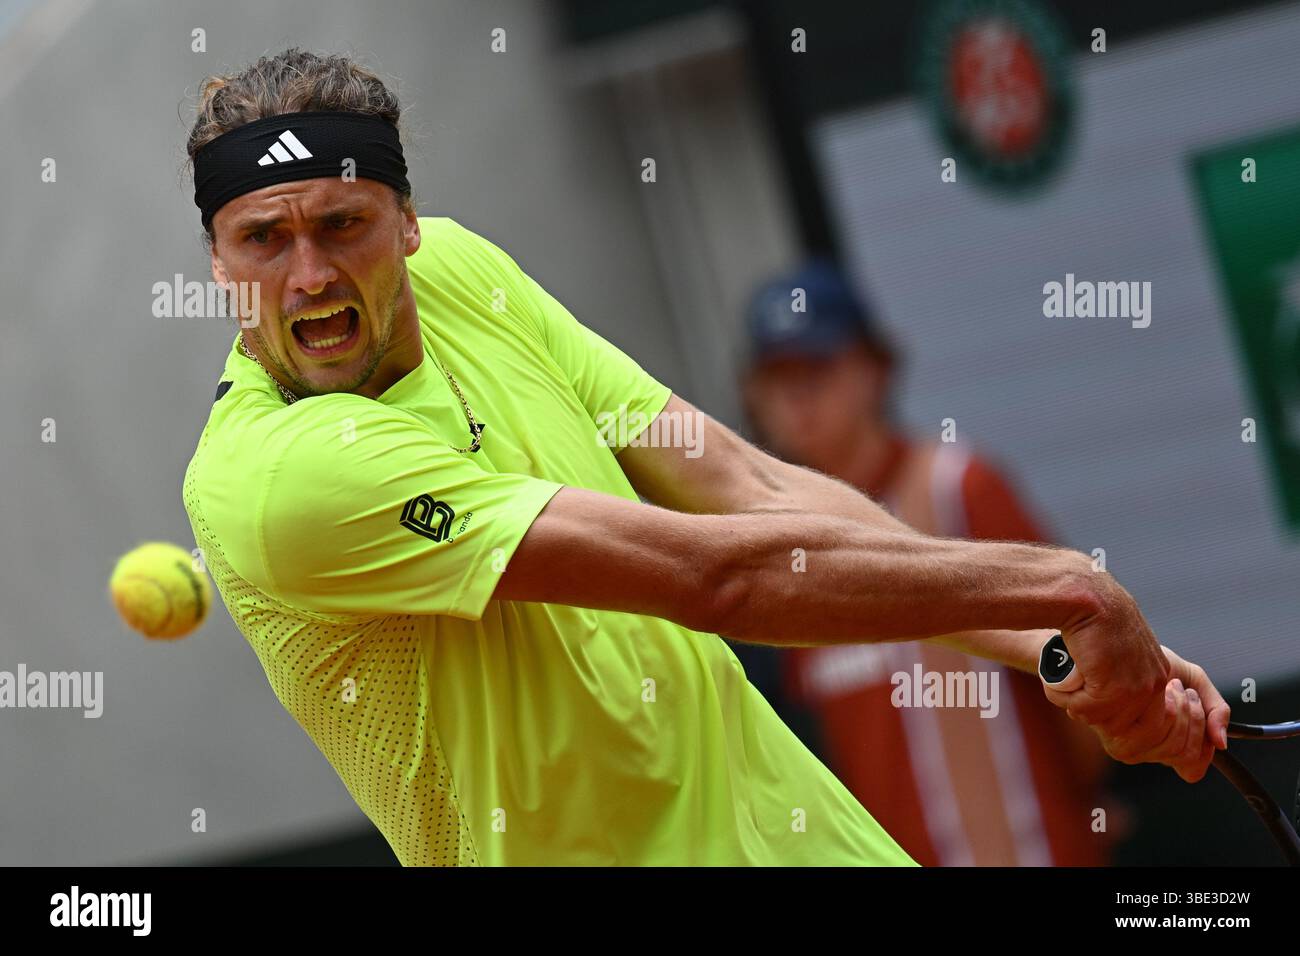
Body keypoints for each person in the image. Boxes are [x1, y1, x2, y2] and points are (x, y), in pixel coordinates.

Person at [181, 49, 1228, 867]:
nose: (308, 273)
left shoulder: (460, 271)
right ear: (217, 264)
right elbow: (718, 570)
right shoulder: (281, 482)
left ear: (406, 224)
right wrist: (1071, 591)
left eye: (342, 223)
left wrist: (1050, 643)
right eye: (262, 240)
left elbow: (740, 481)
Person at [742, 260, 1116, 865]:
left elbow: (1089, 685)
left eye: (818, 370)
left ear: (875, 369)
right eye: (777, 379)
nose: (798, 401)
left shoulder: (958, 490)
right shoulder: (779, 548)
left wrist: (1084, 809)